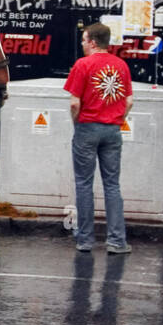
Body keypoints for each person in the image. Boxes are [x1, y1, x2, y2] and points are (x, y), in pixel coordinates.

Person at [64, 22, 134, 254]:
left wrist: (78, 122)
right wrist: (117, 119)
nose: (82, 44)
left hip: (87, 127)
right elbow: (129, 101)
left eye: (84, 40)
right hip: (112, 130)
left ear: (92, 42)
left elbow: (75, 102)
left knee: (84, 184)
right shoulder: (121, 65)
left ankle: (85, 240)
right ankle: (117, 241)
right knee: (112, 185)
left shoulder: (82, 65)